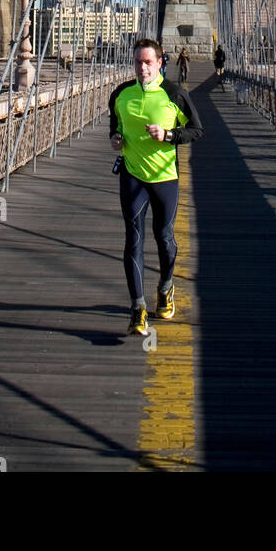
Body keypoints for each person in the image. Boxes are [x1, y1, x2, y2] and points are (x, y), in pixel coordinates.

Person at [109, 38, 203, 334]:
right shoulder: (121, 94)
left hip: (165, 178)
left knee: (164, 237)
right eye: (138, 62)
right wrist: (115, 140)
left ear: (161, 62)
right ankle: (137, 308)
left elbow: (197, 131)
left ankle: (165, 286)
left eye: (148, 62)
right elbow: (115, 126)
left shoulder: (174, 95)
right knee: (133, 239)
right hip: (132, 175)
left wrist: (169, 135)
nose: (143, 67)